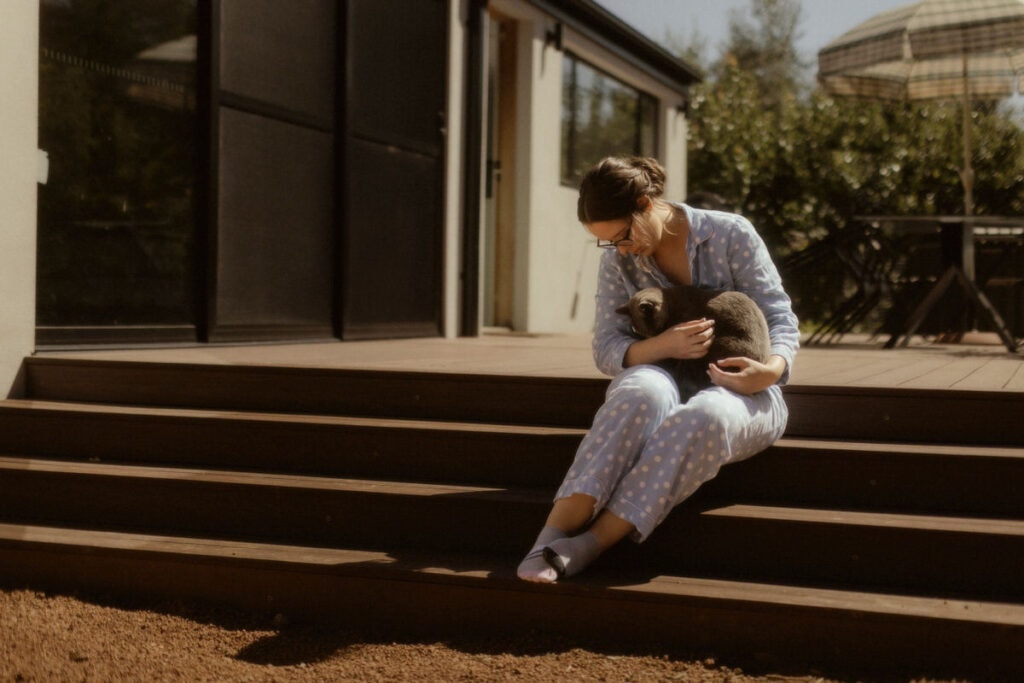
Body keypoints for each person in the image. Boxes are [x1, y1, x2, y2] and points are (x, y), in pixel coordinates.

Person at [516, 156, 800, 582]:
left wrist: (771, 371)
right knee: (640, 393)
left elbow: (779, 316)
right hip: (661, 377)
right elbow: (607, 347)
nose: (620, 250)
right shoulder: (619, 260)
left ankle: (591, 544)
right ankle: (548, 538)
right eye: (607, 243)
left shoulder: (730, 234)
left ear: (646, 205)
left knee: (708, 413)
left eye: (623, 236)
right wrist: (663, 346)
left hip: (745, 392)